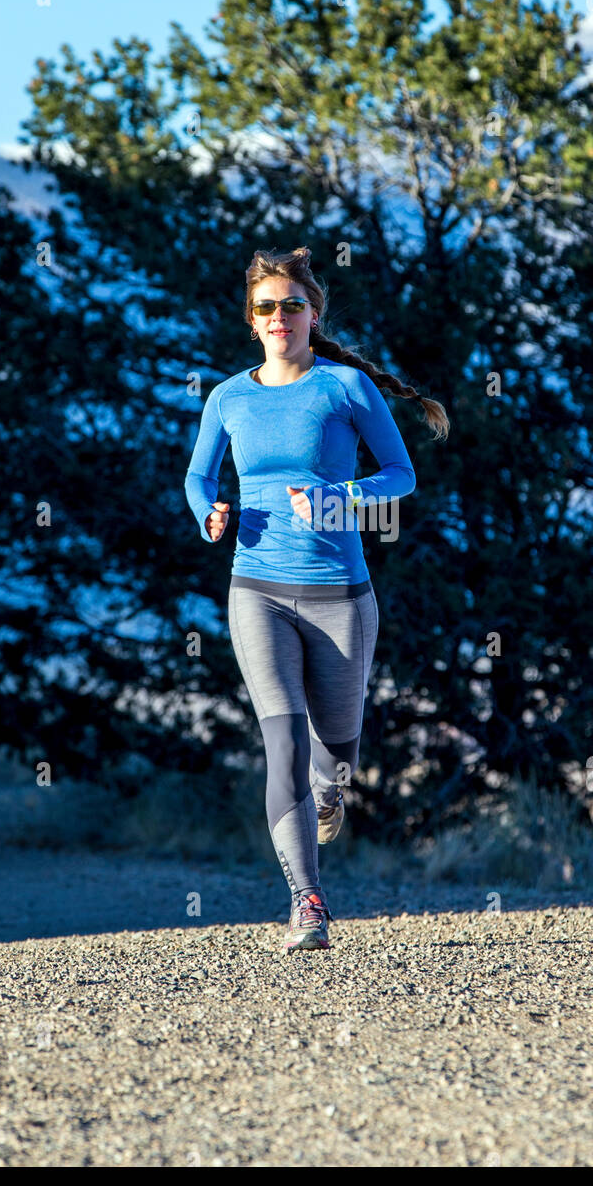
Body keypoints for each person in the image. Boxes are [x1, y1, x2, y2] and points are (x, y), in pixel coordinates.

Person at [184, 246, 449, 951]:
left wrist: (342, 496)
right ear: (251, 321)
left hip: (341, 595)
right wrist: (209, 513)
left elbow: (400, 476)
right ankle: (307, 902)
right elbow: (196, 479)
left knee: (334, 753)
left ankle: (330, 790)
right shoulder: (228, 398)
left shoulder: (345, 388)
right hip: (256, 589)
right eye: (266, 307)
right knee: (283, 743)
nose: (279, 316)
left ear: (313, 313)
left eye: (291, 304)